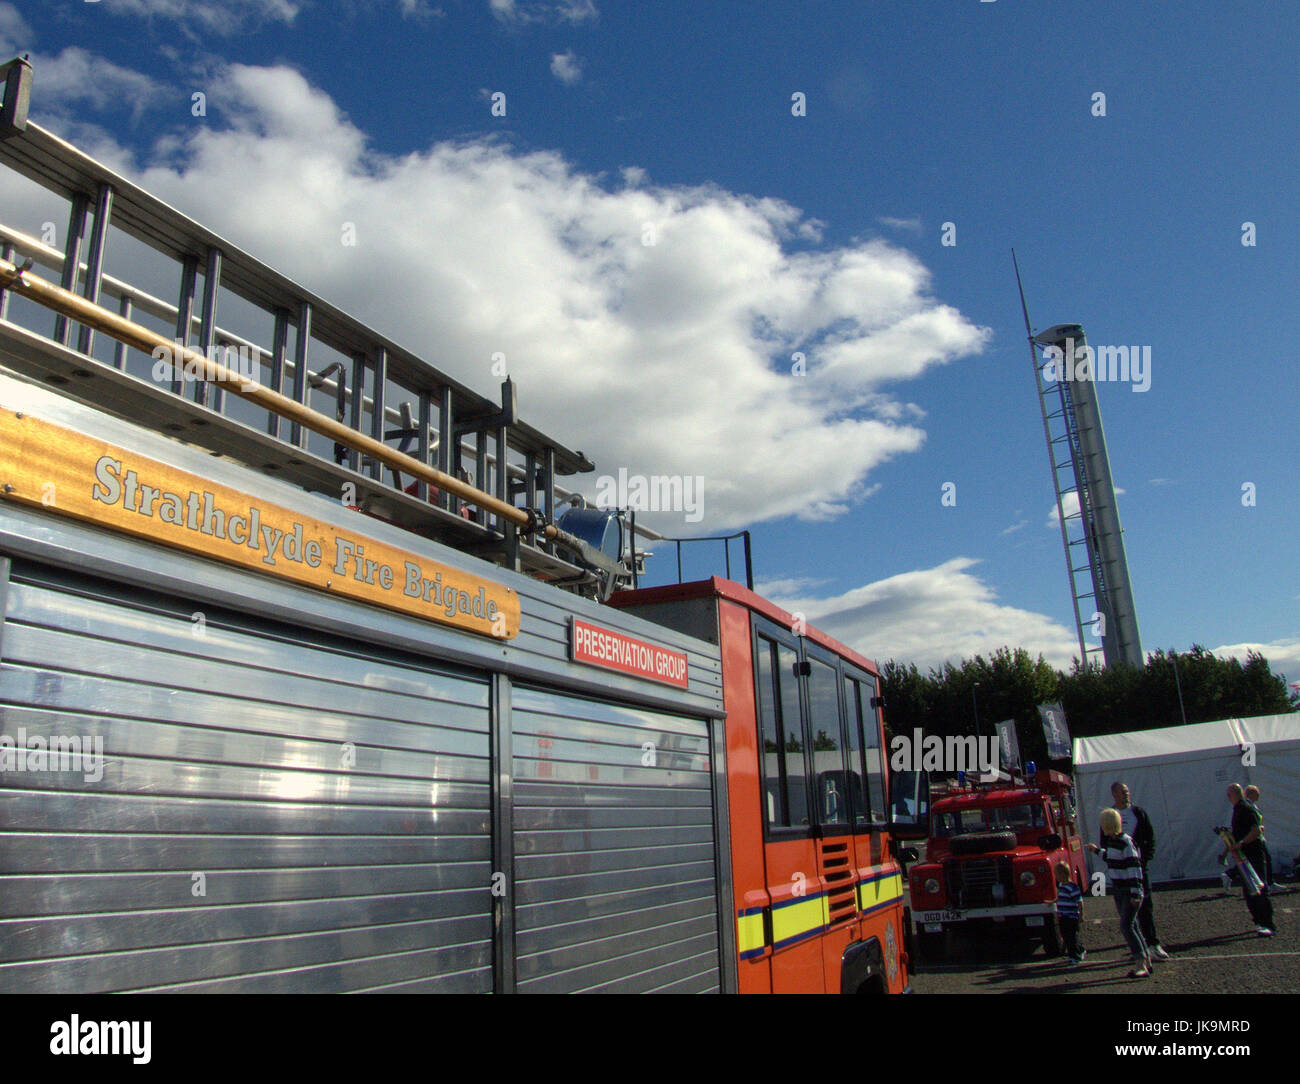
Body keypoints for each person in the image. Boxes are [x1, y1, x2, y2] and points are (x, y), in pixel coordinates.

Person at [1099, 782, 1169, 960]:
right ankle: (1139, 949)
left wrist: (1144, 858)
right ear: (1114, 794)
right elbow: (1104, 842)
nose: (1126, 794)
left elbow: (1150, 837)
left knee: (1145, 906)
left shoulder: (1138, 813)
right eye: (1123, 792)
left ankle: (1153, 944)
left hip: (1138, 869)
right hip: (1120, 874)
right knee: (1127, 913)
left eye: (1127, 791)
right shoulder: (1109, 816)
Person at [1087, 808, 1151, 978]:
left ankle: (1140, 963)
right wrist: (1096, 851)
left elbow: (1134, 868)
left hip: (1128, 890)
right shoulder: (1113, 842)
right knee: (1133, 925)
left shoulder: (1126, 842)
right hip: (1119, 889)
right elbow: (1111, 857)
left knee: (1126, 926)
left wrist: (1136, 893)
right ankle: (1145, 959)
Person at [1220, 784, 1276, 936]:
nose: (1227, 797)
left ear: (1235, 794)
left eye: (1229, 794)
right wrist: (1226, 850)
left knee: (1259, 888)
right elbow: (1237, 834)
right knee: (1249, 891)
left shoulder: (1246, 808)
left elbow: (1256, 830)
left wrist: (1242, 843)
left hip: (1254, 855)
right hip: (1242, 857)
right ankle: (1258, 921)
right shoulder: (1237, 810)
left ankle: (1268, 924)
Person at [1244, 785, 1281, 890]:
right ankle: (1268, 883)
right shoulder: (1248, 806)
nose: (1258, 795)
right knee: (1264, 860)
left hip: (1258, 837)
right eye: (1256, 793)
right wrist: (1259, 828)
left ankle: (1269, 883)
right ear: (1251, 794)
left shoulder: (1252, 805)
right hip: (1255, 838)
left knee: (1262, 860)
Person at [1054, 861, 1085, 966]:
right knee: (1066, 936)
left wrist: (1081, 915)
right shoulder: (1061, 886)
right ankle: (1080, 949)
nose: (1056, 877)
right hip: (1063, 916)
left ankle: (1074, 957)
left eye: (1057, 874)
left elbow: (1079, 901)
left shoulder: (1072, 887)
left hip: (1071, 917)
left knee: (1071, 937)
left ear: (1063, 874)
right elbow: (1060, 898)